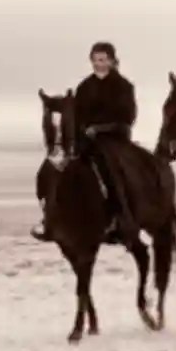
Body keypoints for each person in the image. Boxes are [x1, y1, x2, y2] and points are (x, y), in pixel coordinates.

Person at [73, 41, 141, 244]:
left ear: (111, 61)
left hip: (114, 139)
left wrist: (100, 128)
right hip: (87, 140)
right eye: (95, 60)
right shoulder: (84, 87)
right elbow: (77, 115)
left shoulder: (124, 86)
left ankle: (115, 219)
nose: (98, 64)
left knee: (109, 171)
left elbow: (128, 116)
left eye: (102, 60)